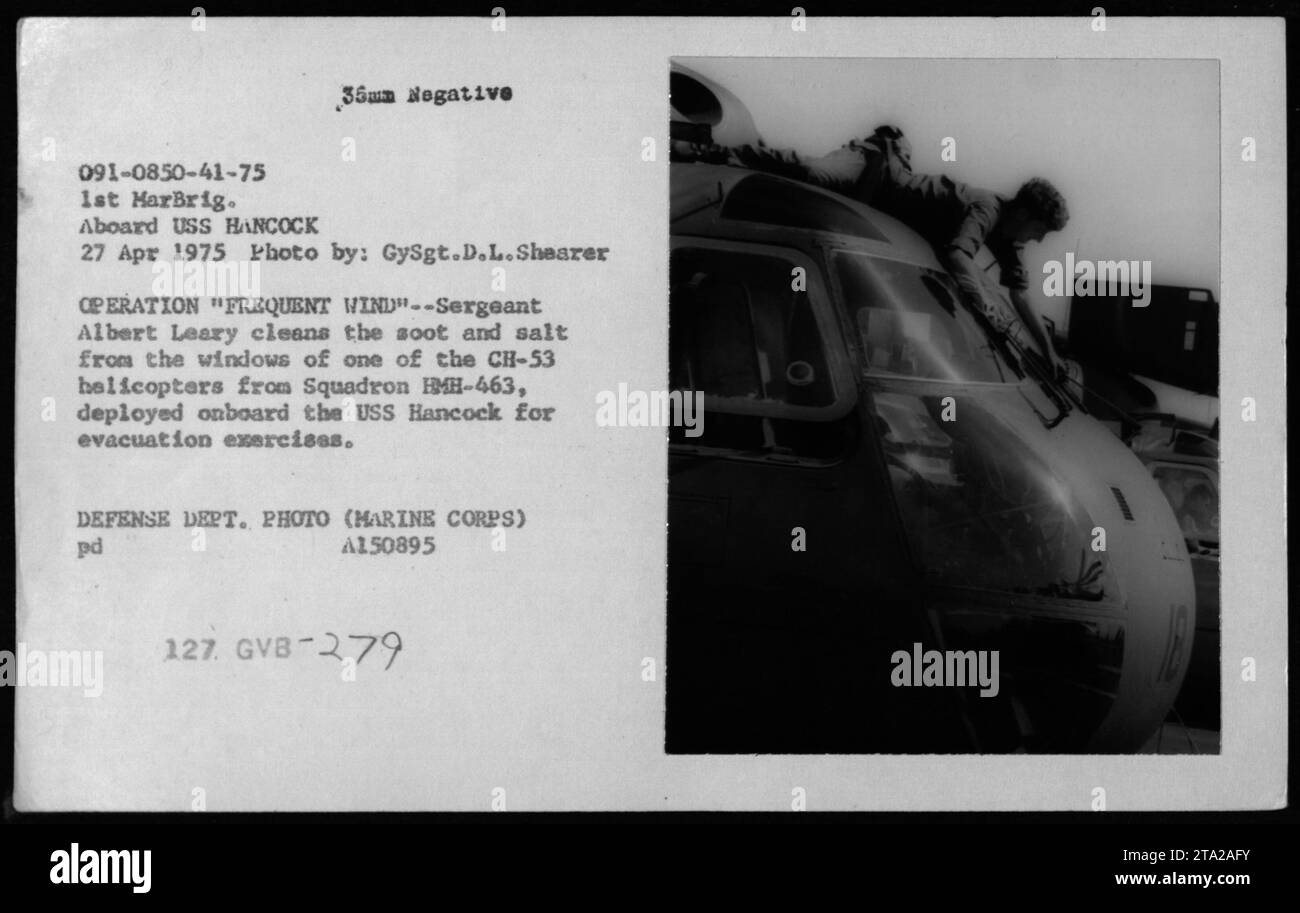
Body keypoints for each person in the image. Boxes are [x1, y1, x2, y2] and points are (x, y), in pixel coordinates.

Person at [674, 128, 1071, 375]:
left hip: (878, 187)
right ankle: (709, 153)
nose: (1036, 241)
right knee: (813, 174)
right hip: (873, 171)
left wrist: (1048, 353)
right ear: (1024, 213)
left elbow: (1019, 294)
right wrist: (983, 303)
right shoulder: (987, 208)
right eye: (1039, 230)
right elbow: (957, 255)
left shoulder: (1007, 236)